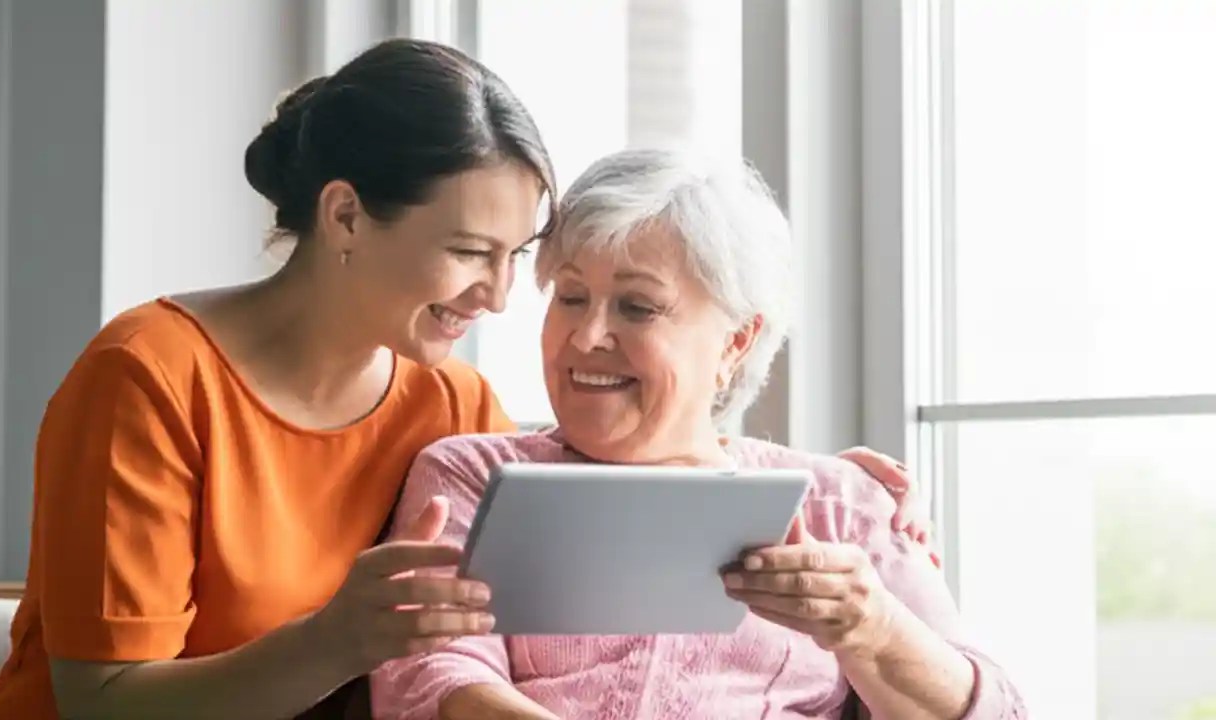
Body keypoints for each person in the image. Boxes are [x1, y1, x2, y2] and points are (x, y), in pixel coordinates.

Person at [0, 39, 926, 720]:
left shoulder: (449, 405)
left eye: (518, 257)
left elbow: (605, 507)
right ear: (344, 216)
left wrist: (801, 491)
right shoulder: (151, 376)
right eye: (472, 252)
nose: (504, 297)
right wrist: (338, 641)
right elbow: (99, 703)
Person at [369, 149, 1026, 720]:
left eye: (638, 307)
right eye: (570, 297)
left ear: (735, 343)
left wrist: (873, 627)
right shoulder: (474, 476)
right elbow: (435, 676)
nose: (587, 336)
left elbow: (994, 711)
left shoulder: (840, 504)